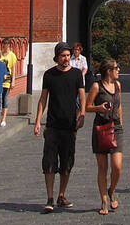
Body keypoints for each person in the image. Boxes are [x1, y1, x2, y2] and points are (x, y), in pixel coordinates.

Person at [34, 42, 86, 212]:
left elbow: (82, 96)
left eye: (68, 55)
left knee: (67, 162)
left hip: (70, 125)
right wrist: (37, 121)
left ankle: (61, 195)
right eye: (63, 56)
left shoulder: (76, 74)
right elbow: (43, 99)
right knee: (49, 162)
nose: (66, 58)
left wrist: (82, 115)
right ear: (57, 57)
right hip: (52, 125)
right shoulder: (49, 75)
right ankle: (49, 197)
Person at [84, 58, 124, 215]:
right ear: (109, 71)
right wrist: (98, 108)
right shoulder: (96, 86)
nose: (118, 70)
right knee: (102, 168)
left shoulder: (118, 85)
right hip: (101, 128)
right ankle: (104, 201)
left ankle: (112, 189)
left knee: (117, 166)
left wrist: (121, 123)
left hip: (116, 128)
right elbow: (87, 107)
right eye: (116, 67)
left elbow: (119, 106)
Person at [0, 38, 17, 128]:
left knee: (4, 99)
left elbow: (13, 69)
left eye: (6, 45)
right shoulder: (0, 54)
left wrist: (13, 81)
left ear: (9, 45)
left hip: (7, 80)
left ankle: (3, 119)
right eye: (3, 45)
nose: (4, 47)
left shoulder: (12, 55)